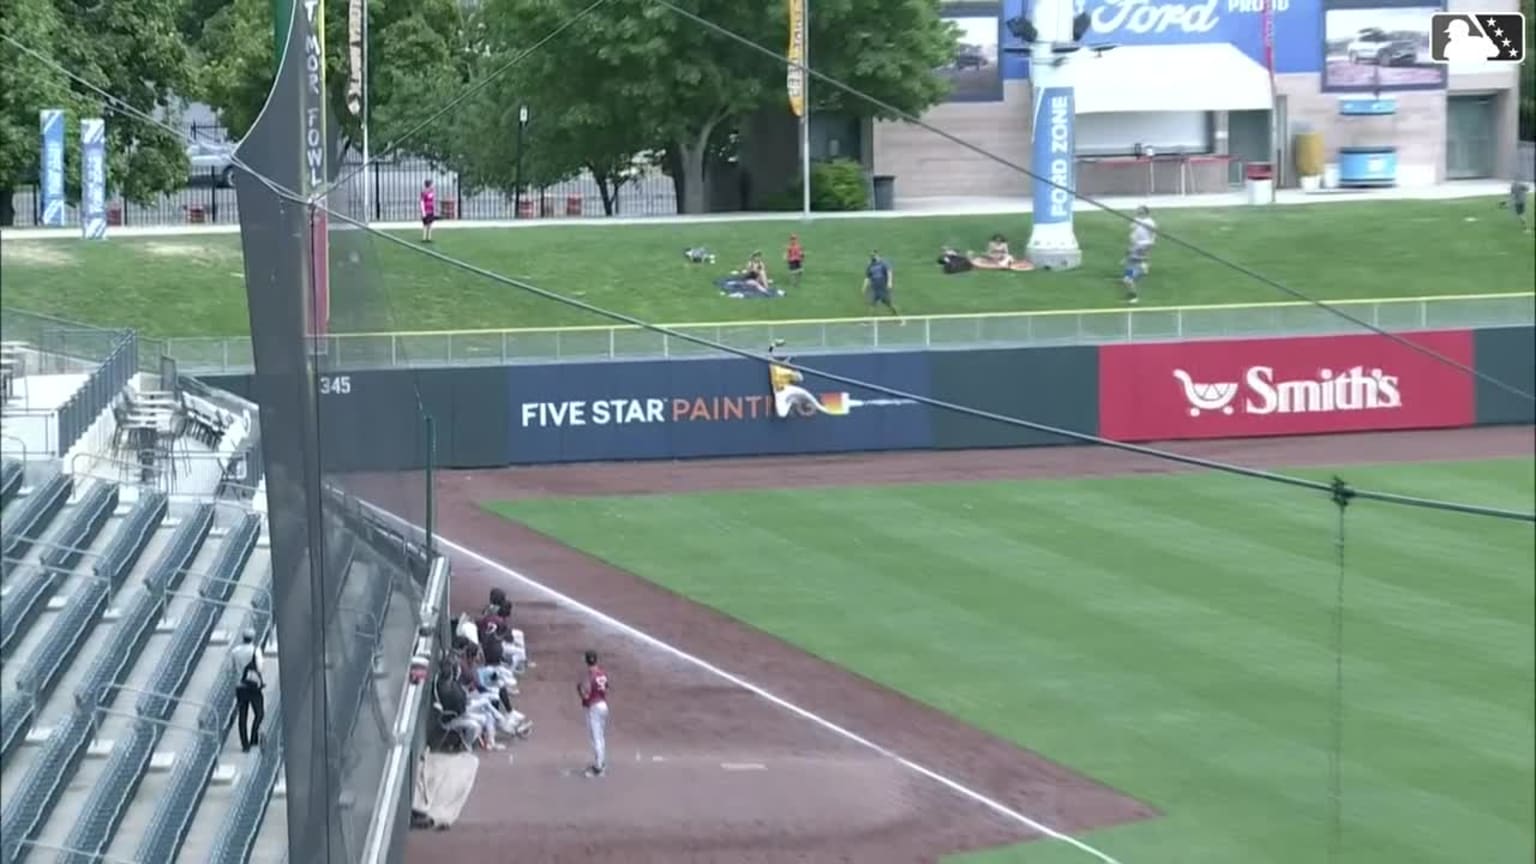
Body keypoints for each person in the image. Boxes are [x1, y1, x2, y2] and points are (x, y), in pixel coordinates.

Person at [767, 340, 832, 418]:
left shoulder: (788, 371)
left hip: (788, 388)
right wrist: (773, 345)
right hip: (779, 393)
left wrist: (795, 371)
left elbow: (800, 378)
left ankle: (822, 408)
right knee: (782, 414)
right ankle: (791, 401)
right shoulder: (773, 367)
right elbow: (769, 355)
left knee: (806, 394)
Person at [231, 629, 265, 753]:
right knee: (259, 713)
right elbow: (260, 668)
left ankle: (245, 744)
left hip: (240, 687)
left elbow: (232, 668)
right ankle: (254, 738)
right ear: (253, 638)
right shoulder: (256, 651)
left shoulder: (235, 651)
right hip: (253, 687)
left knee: (243, 715)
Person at [578, 650, 609, 777]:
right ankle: (601, 762)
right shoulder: (602, 674)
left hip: (594, 708)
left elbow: (587, 698)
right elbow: (606, 687)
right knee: (600, 736)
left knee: (595, 738)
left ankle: (598, 767)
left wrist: (580, 692)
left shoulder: (590, 676)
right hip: (604, 705)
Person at [1122, 205, 1158, 305]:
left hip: (1143, 244)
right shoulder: (1136, 220)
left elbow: (1153, 233)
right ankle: (1140, 269)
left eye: (1140, 212)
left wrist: (1151, 243)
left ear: (1146, 213)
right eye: (1138, 211)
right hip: (1136, 244)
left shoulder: (1150, 222)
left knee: (1129, 275)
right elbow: (1132, 228)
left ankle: (1133, 294)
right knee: (1131, 263)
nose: (1138, 213)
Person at [862, 251, 902, 321]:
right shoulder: (870, 266)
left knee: (890, 305)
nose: (872, 257)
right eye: (871, 256)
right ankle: (867, 321)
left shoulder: (883, 264)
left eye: (873, 256)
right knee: (872, 305)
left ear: (877, 256)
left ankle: (900, 319)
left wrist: (889, 282)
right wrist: (864, 287)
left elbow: (889, 272)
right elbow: (867, 277)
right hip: (875, 289)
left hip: (883, 289)